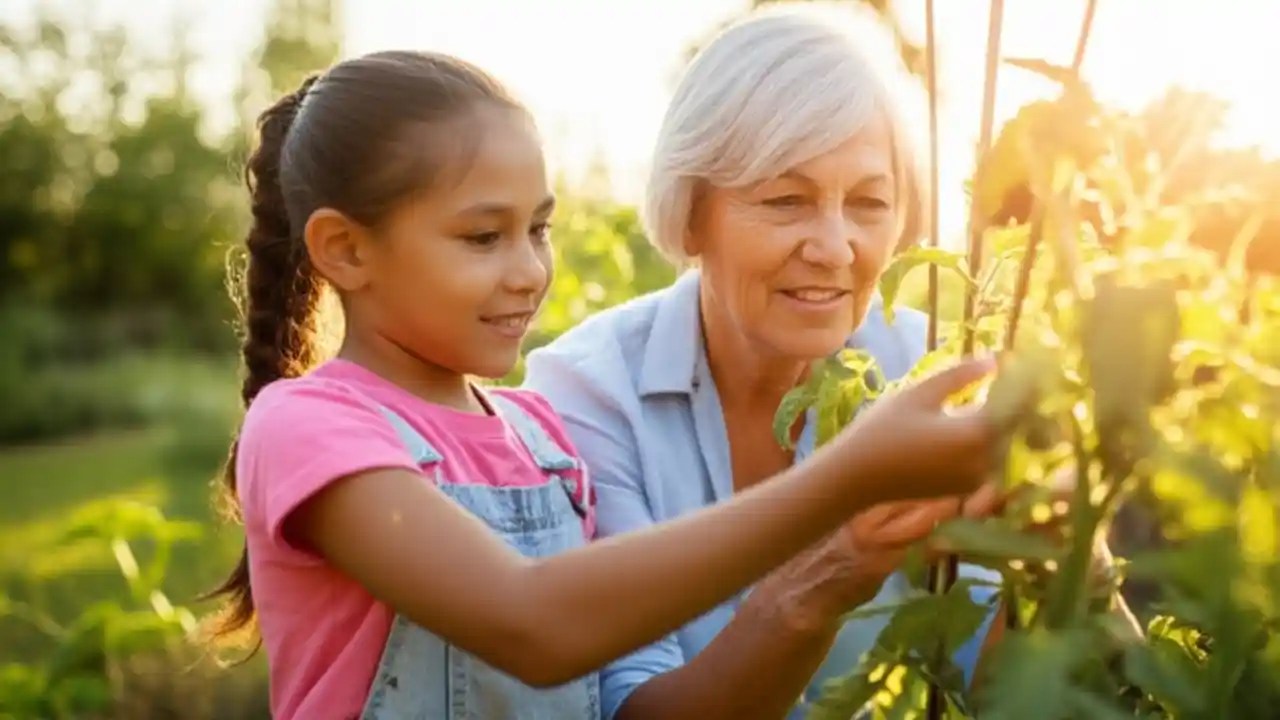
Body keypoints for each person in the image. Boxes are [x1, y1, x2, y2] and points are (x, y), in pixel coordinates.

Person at [202, 49, 1003, 720]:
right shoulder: (310, 425)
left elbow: (662, 709)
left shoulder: (542, 442)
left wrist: (849, 560)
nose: (528, 272)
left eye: (539, 230)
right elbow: (533, 623)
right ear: (344, 250)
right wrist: (848, 479)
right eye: (484, 237)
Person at [521, 5, 1019, 719]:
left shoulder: (929, 366)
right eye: (787, 200)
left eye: (870, 203)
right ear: (693, 214)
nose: (836, 247)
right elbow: (630, 709)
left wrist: (1060, 572)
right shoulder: (590, 398)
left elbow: (998, 678)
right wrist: (837, 563)